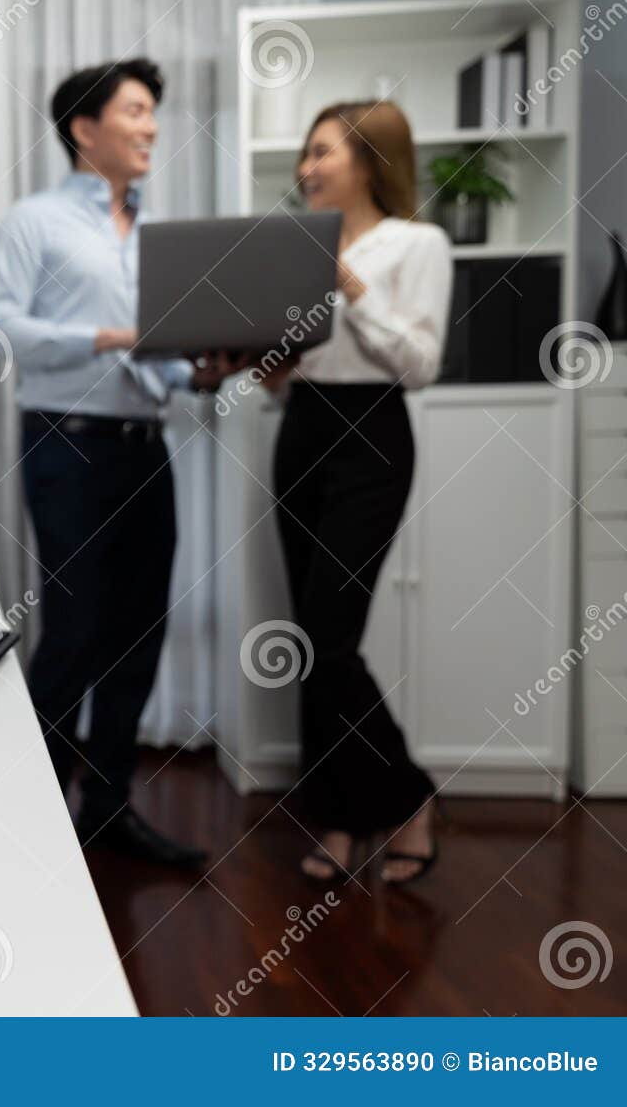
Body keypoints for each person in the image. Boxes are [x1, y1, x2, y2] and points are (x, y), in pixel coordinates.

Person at [0, 60, 235, 866]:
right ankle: (34, 819)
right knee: (74, 631)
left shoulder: (157, 239)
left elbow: (154, 358)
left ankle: (107, 811)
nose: (152, 126)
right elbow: (3, 328)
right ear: (84, 128)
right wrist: (105, 337)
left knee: (138, 634)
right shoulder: (35, 221)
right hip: (65, 446)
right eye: (135, 111)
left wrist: (199, 373)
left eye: (154, 113)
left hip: (142, 450)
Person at [261, 100, 451, 885]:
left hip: (372, 435)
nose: (306, 169)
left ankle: (408, 800)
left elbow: (421, 363)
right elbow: (290, 376)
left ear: (369, 162)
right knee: (309, 638)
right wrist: (272, 369)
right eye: (305, 156)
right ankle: (337, 818)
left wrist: (350, 285)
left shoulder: (418, 243)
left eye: (322, 153)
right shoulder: (294, 249)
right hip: (303, 428)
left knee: (332, 637)